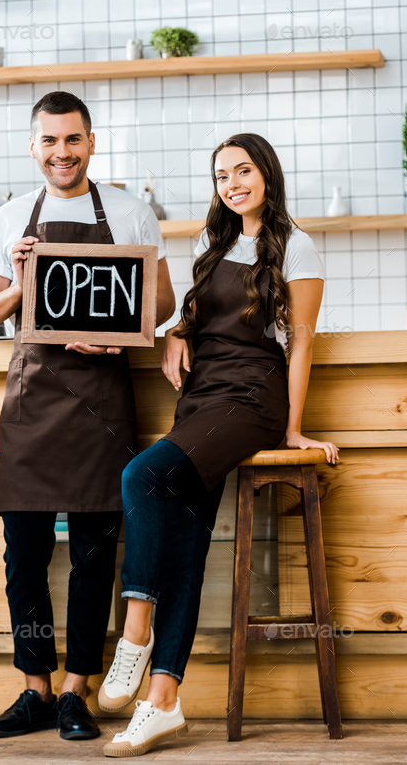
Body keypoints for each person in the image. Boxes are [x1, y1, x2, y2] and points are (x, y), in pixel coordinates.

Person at [98, 133, 339, 758]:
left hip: (251, 402)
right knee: (185, 538)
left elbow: (303, 342)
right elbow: (197, 314)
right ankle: (162, 703)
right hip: (202, 397)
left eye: (243, 170)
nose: (232, 184)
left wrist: (291, 427)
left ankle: (136, 629)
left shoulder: (298, 246)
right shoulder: (213, 241)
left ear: (267, 174)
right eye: (220, 176)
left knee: (140, 478)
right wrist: (178, 331)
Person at [0, 91, 175, 743]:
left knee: (94, 554)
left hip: (102, 405)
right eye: (50, 142)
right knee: (23, 555)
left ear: (91, 141)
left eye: (73, 140)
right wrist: (19, 284)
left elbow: (163, 300)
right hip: (32, 403)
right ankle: (35, 687)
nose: (63, 153)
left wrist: (124, 337)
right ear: (34, 147)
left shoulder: (130, 211)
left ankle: (76, 693)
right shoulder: (8, 219)